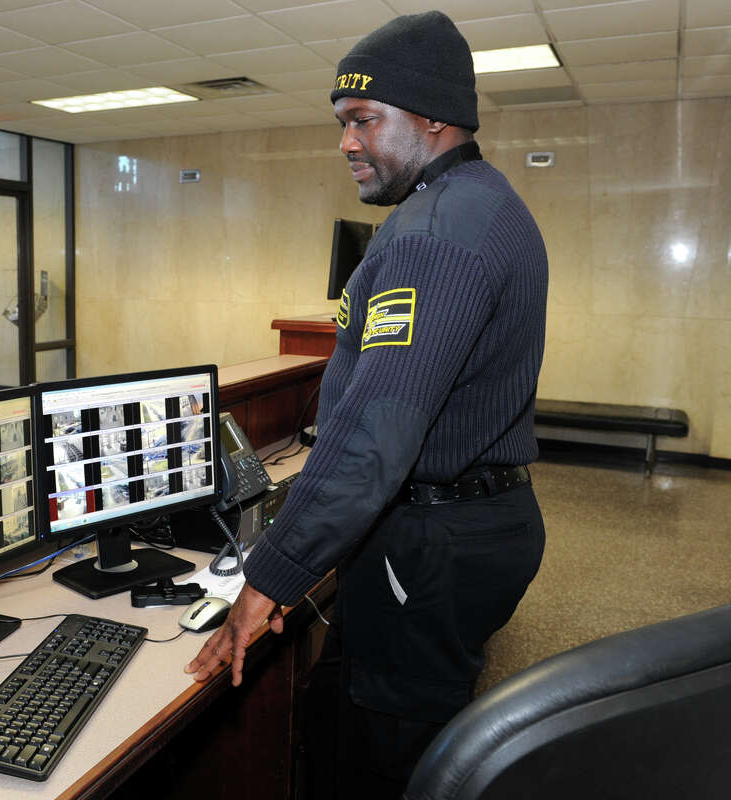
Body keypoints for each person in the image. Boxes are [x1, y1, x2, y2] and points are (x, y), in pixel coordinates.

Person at [186, 10, 549, 797]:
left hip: (430, 540)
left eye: (363, 121)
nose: (345, 142)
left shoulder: (435, 234)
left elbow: (373, 440)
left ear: (432, 119)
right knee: (343, 716)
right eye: (341, 123)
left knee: (378, 760)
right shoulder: (475, 205)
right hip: (458, 526)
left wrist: (269, 578)